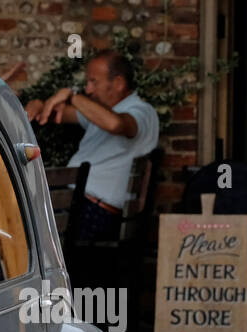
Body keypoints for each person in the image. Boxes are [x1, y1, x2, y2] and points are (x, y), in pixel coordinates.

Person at [25, 50, 159, 241]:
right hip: (76, 206)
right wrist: (40, 105)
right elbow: (57, 115)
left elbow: (116, 124)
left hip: (92, 213)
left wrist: (72, 96)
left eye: (93, 82)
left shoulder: (142, 112)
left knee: (5, 218)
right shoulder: (105, 112)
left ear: (119, 83)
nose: (88, 90)